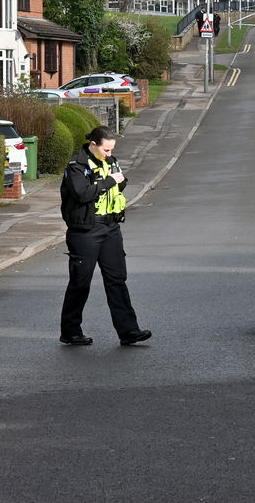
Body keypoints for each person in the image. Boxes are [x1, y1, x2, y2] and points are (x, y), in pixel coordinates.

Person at [58, 125, 151, 346]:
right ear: (93, 145)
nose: (110, 154)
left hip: (111, 228)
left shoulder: (110, 161)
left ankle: (129, 331)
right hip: (85, 230)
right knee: (80, 283)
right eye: (106, 150)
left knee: (117, 280)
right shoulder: (76, 166)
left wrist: (118, 180)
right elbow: (82, 194)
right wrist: (109, 181)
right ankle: (70, 331)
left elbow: (119, 184)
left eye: (112, 150)